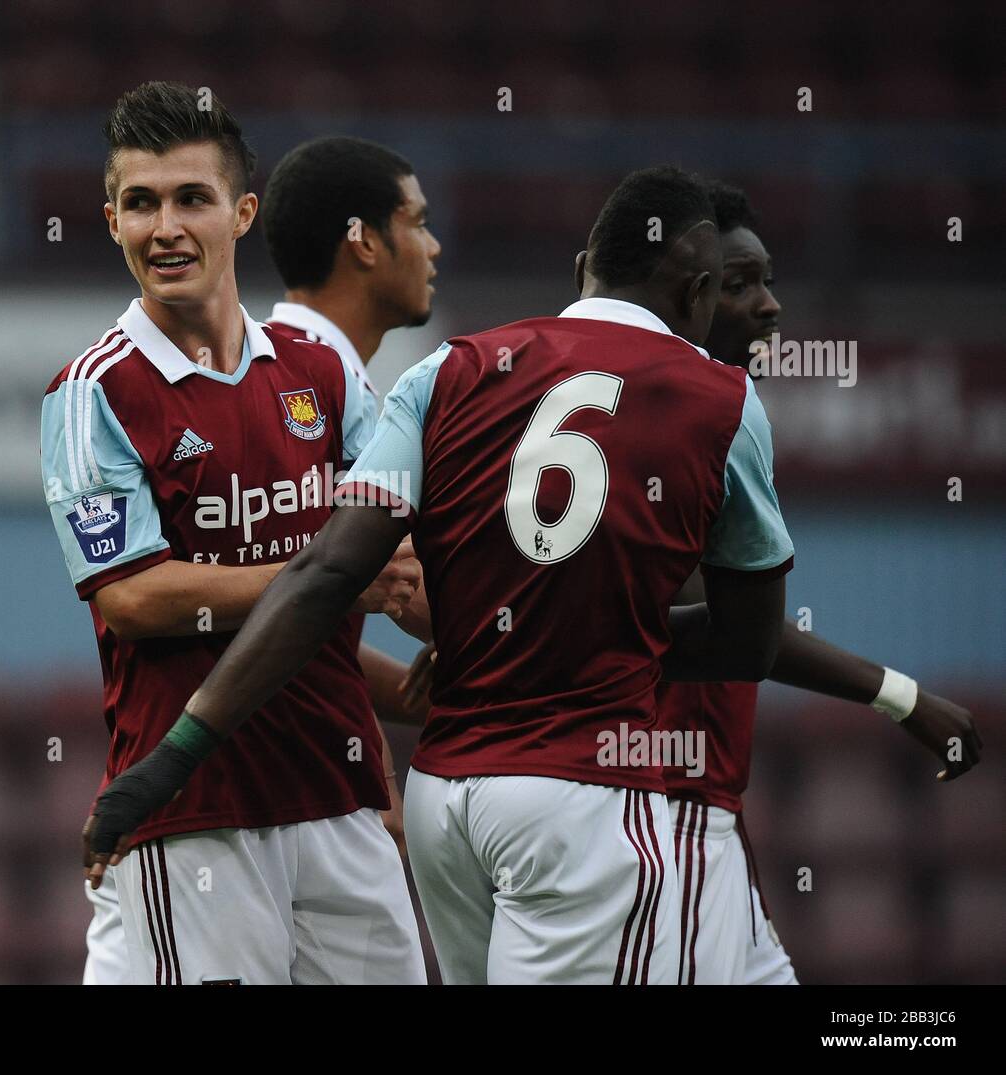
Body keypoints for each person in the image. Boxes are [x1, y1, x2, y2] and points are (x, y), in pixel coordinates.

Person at [86, 166, 797, 984]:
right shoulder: (723, 399)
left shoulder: (443, 373)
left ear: (580, 273)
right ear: (701, 290)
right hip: (580, 788)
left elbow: (322, 577)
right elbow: (750, 639)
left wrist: (174, 753)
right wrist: (599, 637)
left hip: (445, 800)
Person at [44, 81, 426, 984]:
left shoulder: (319, 368)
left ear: (242, 212)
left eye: (191, 199)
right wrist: (326, 571)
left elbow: (396, 565)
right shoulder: (92, 391)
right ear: (110, 221)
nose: (165, 226)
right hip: (197, 816)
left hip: (341, 807)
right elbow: (134, 598)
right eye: (140, 203)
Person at [658, 178, 982, 985]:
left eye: (768, 280)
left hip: (708, 819)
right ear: (687, 296)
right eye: (739, 286)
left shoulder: (719, 414)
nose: (770, 306)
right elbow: (733, 629)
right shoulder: (670, 430)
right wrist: (903, 697)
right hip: (655, 817)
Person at [263, 134, 441, 855]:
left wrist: (418, 699)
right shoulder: (324, 396)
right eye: (418, 222)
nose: (432, 247)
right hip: (293, 801)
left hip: (302, 787)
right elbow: (397, 586)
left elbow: (302, 619)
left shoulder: (283, 374)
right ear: (364, 242)